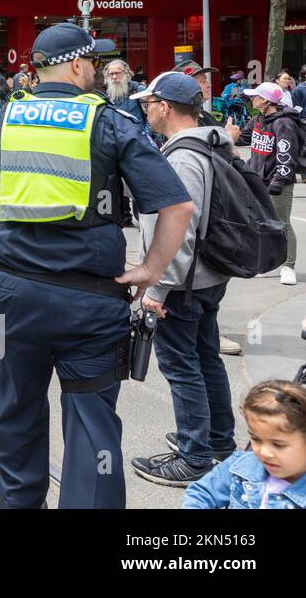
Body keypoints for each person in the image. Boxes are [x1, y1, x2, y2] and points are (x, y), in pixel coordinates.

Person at [0, 22, 194, 508]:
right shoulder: (110, 122)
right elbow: (177, 207)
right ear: (76, 64)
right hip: (91, 301)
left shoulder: (4, 119)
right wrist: (150, 271)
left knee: (19, 407)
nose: (93, 71)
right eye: (92, 63)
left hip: (14, 295)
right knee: (91, 422)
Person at [126, 73, 236, 486]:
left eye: (149, 103)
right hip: (207, 277)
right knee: (207, 358)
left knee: (182, 366)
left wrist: (156, 288)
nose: (146, 109)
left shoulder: (181, 158)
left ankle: (194, 455)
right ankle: (217, 441)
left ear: (166, 106)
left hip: (182, 283)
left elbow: (179, 226)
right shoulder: (212, 144)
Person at [183, 380, 306, 509]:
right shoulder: (240, 465)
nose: (263, 452)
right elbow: (202, 493)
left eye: (278, 444)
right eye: (256, 439)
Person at [227, 81, 301, 286]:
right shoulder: (258, 119)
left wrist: (277, 183)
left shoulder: (283, 123)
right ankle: (270, 263)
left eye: (256, 96)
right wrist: (229, 135)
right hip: (259, 180)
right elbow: (242, 138)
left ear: (266, 101)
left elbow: (287, 156)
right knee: (261, 222)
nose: (252, 99)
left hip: (278, 183)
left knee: (282, 223)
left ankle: (288, 266)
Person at [104, 59, 146, 126]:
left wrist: (146, 134)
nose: (114, 77)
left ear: (125, 74)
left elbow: (152, 116)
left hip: (138, 133)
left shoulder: (138, 89)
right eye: (111, 74)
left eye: (117, 73)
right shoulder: (108, 94)